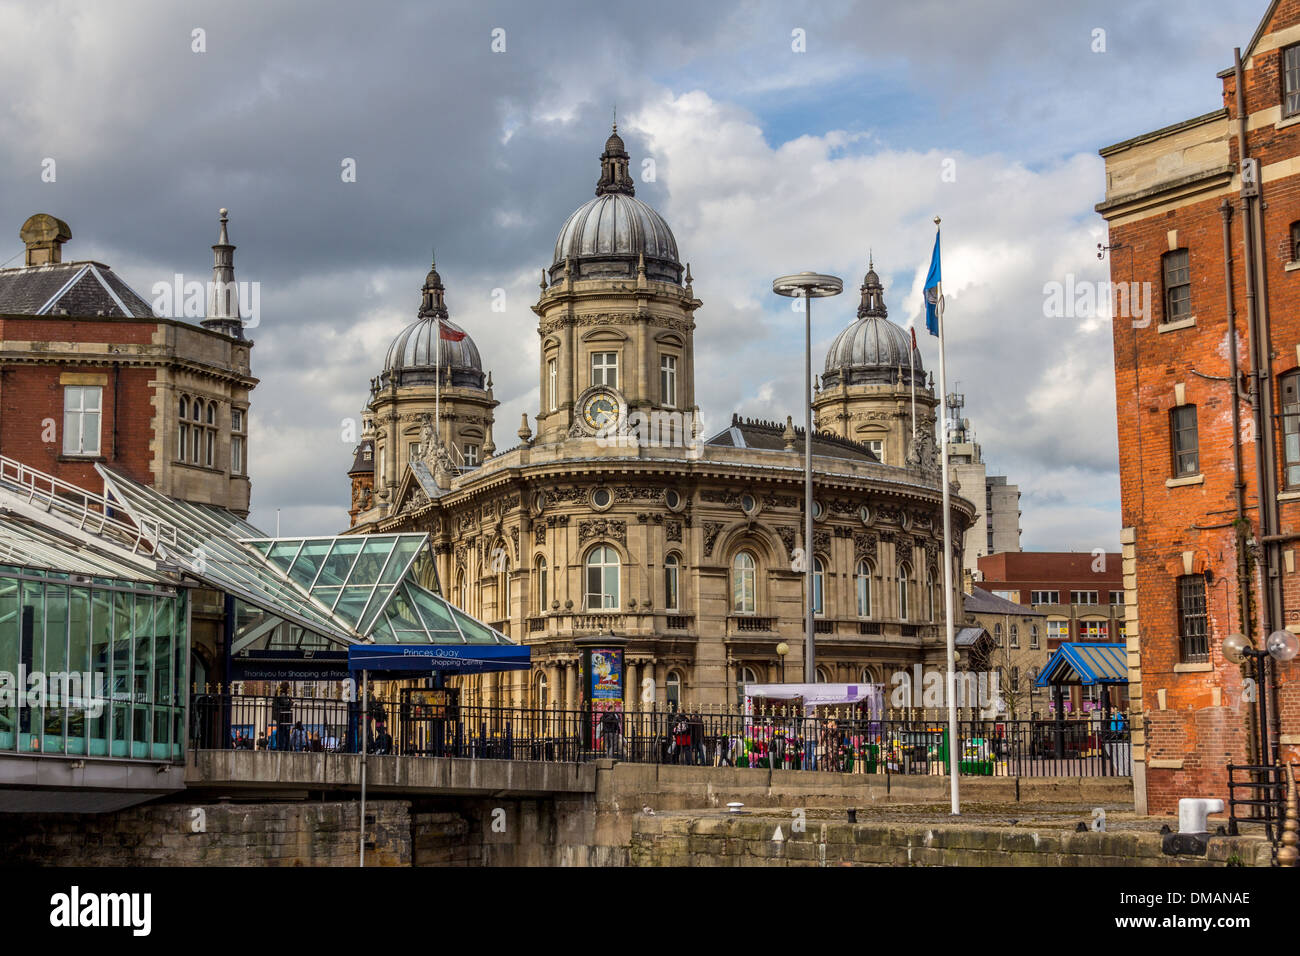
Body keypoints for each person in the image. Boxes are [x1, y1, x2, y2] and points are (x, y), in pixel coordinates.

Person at [272, 682, 294, 751]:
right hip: (283, 716)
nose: (289, 690)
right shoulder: (281, 694)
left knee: (281, 733)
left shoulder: (278, 693)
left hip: (280, 716)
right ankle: (283, 748)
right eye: (288, 688)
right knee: (284, 734)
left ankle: (281, 747)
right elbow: (286, 703)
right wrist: (291, 701)